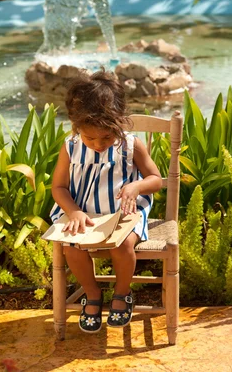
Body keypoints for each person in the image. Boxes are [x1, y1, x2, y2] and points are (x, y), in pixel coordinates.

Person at [50, 69, 162, 333]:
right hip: (83, 211)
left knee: (121, 246)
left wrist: (136, 186)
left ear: (119, 123)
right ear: (77, 127)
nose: (98, 144)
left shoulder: (131, 145)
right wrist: (74, 212)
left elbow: (155, 179)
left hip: (124, 212)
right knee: (72, 247)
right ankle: (93, 293)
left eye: (106, 137)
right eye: (90, 138)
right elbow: (59, 187)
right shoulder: (70, 147)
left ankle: (122, 294)